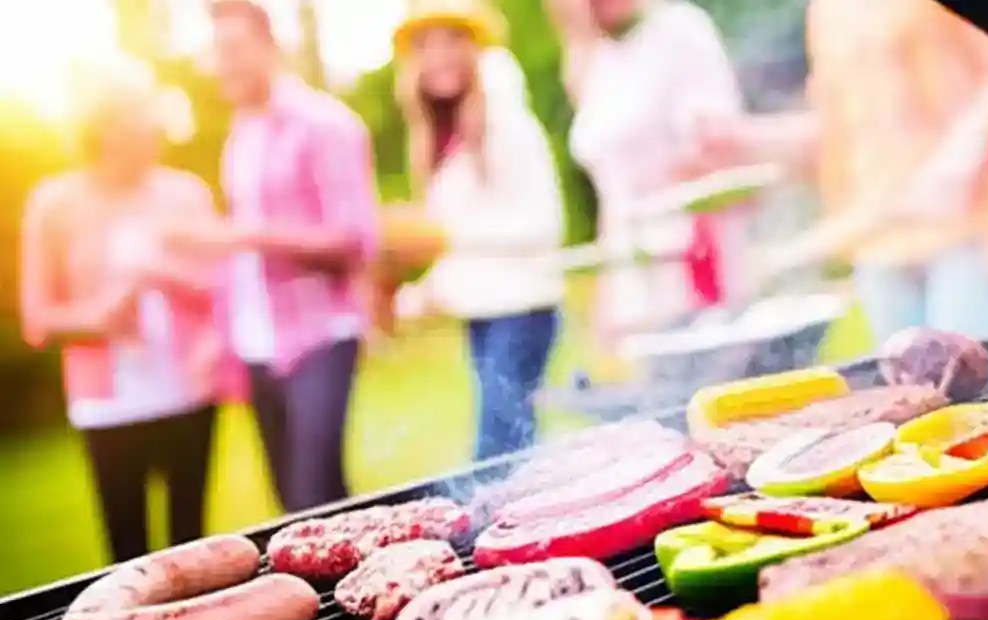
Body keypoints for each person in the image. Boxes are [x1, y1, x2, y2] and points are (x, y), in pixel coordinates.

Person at [701, 0, 988, 342]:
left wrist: (964, 147)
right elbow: (839, 130)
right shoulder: (828, 10)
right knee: (903, 383)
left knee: (969, 379)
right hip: (879, 241)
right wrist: (746, 140)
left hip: (973, 225)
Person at [179, 0, 379, 512]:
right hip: (257, 346)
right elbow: (238, 261)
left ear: (270, 46)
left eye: (234, 50)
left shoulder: (325, 124)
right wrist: (218, 335)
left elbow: (355, 239)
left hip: (320, 337)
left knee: (314, 498)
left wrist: (251, 233)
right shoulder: (241, 135)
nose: (223, 65)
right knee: (298, 506)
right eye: (216, 52)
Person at [20, 56, 220, 562]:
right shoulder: (55, 203)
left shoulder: (183, 193)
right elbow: (37, 317)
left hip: (188, 391)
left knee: (193, 543)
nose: (148, 130)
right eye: (132, 119)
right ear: (101, 129)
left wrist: (166, 275)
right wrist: (97, 317)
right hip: (108, 404)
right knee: (128, 552)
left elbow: (226, 287)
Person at [391, 0, 566, 460]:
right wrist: (425, 288)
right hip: (484, 314)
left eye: (451, 40)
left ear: (475, 48)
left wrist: (445, 239)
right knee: (512, 449)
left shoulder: (508, 124)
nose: (438, 56)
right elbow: (462, 240)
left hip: (522, 310)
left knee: (498, 451)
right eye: (425, 45)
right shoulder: (444, 135)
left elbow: (543, 226)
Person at [549, 0, 746, 346]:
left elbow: (717, 146)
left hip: (691, 263)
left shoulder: (679, 31)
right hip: (633, 275)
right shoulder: (600, 58)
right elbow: (608, 188)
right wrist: (608, 292)